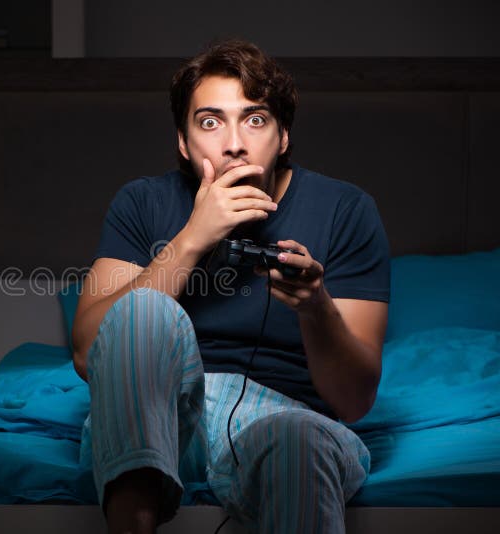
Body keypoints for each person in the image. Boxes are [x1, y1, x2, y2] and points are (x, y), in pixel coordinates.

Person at [71, 39, 390, 534]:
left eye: (256, 119)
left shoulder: (345, 210)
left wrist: (315, 307)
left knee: (300, 438)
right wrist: (192, 238)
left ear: (283, 136)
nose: (235, 143)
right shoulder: (142, 202)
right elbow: (92, 353)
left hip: (285, 419)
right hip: (156, 411)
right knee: (142, 311)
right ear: (183, 140)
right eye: (210, 121)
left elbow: (353, 401)